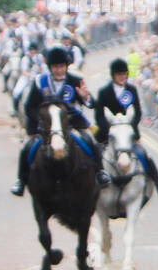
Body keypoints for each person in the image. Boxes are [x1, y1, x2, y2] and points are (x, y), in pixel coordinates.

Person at [12, 47, 111, 195]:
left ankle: (100, 172)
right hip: (46, 128)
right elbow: (29, 107)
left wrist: (85, 97)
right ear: (50, 67)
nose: (59, 70)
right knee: (28, 148)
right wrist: (41, 122)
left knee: (89, 140)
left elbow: (92, 104)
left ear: (66, 66)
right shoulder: (40, 82)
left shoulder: (75, 81)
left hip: (70, 125)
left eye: (61, 66)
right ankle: (21, 180)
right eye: (55, 67)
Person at [93, 58, 158, 198]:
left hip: (127, 132)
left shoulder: (131, 90)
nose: (122, 77)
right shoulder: (104, 92)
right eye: (119, 74)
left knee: (143, 154)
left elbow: (138, 112)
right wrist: (109, 129)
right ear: (113, 76)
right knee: (94, 155)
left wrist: (130, 128)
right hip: (109, 133)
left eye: (124, 74)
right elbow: (99, 115)